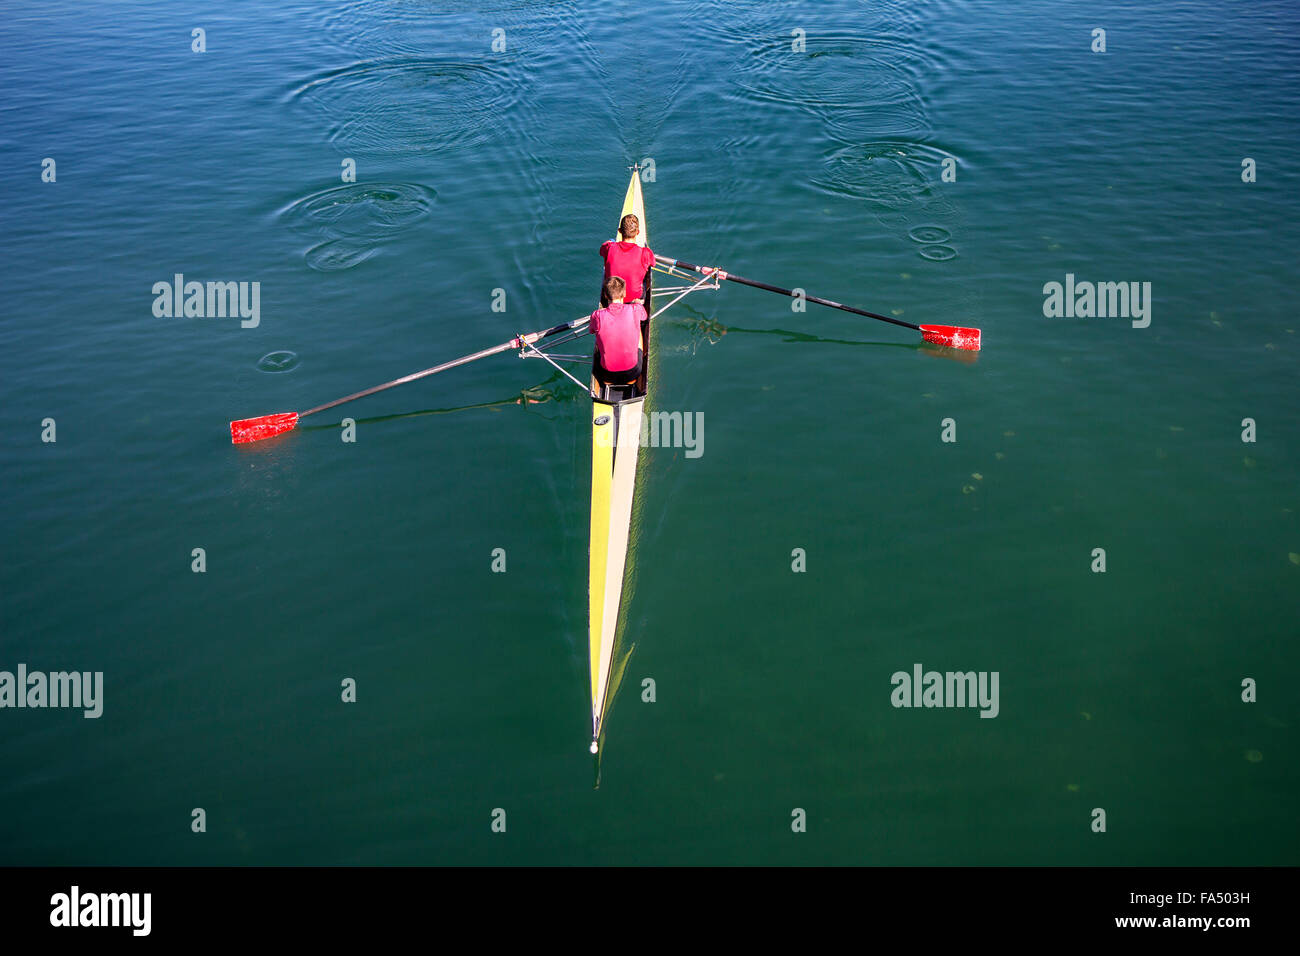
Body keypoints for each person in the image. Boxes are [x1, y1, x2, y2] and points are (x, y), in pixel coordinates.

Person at [589, 276, 646, 395]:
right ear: (624, 294)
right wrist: (637, 303)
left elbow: (592, 331)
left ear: (605, 295)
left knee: (599, 334)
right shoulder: (635, 309)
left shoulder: (597, 315)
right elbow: (644, 317)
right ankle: (632, 381)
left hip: (606, 375)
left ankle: (605, 383)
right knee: (639, 326)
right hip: (633, 372)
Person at [599, 213, 656, 306]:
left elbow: (601, 250)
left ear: (619, 231)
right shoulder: (645, 253)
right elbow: (653, 263)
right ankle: (642, 303)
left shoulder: (609, 247)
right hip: (634, 298)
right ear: (638, 232)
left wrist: (612, 241)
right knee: (647, 272)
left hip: (611, 296)